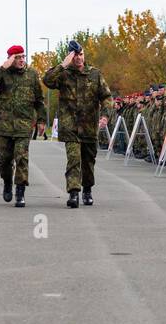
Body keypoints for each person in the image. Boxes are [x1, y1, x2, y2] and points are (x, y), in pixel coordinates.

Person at [43, 40, 113, 208]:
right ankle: (74, 193)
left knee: (88, 161)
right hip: (70, 126)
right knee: (73, 159)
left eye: (81, 54)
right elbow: (47, 81)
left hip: (89, 125)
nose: (79, 58)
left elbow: (107, 97)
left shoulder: (95, 74)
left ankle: (87, 190)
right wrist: (62, 64)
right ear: (70, 57)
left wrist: (105, 116)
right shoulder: (64, 73)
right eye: (75, 56)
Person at [0, 45, 46, 207]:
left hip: (24, 126)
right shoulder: (3, 73)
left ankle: (20, 192)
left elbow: (39, 100)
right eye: (17, 57)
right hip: (4, 126)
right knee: (4, 160)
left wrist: (41, 120)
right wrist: (2, 68)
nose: (21, 60)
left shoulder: (32, 74)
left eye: (23, 57)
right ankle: (7, 182)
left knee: (22, 158)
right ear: (10, 58)